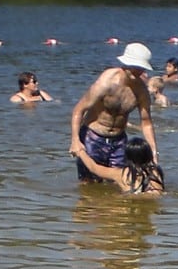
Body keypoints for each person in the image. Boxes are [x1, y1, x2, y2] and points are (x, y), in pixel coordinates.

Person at [69, 44, 157, 181]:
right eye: (135, 67)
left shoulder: (141, 91)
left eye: (141, 68)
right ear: (126, 63)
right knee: (88, 183)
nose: (138, 71)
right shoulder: (106, 82)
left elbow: (146, 123)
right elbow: (78, 110)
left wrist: (153, 152)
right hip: (93, 137)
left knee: (120, 181)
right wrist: (75, 140)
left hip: (119, 140)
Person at [72, 133, 165, 195]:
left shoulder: (120, 174)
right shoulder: (155, 172)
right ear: (148, 155)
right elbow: (157, 194)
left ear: (127, 156)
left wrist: (80, 151)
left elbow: (94, 168)